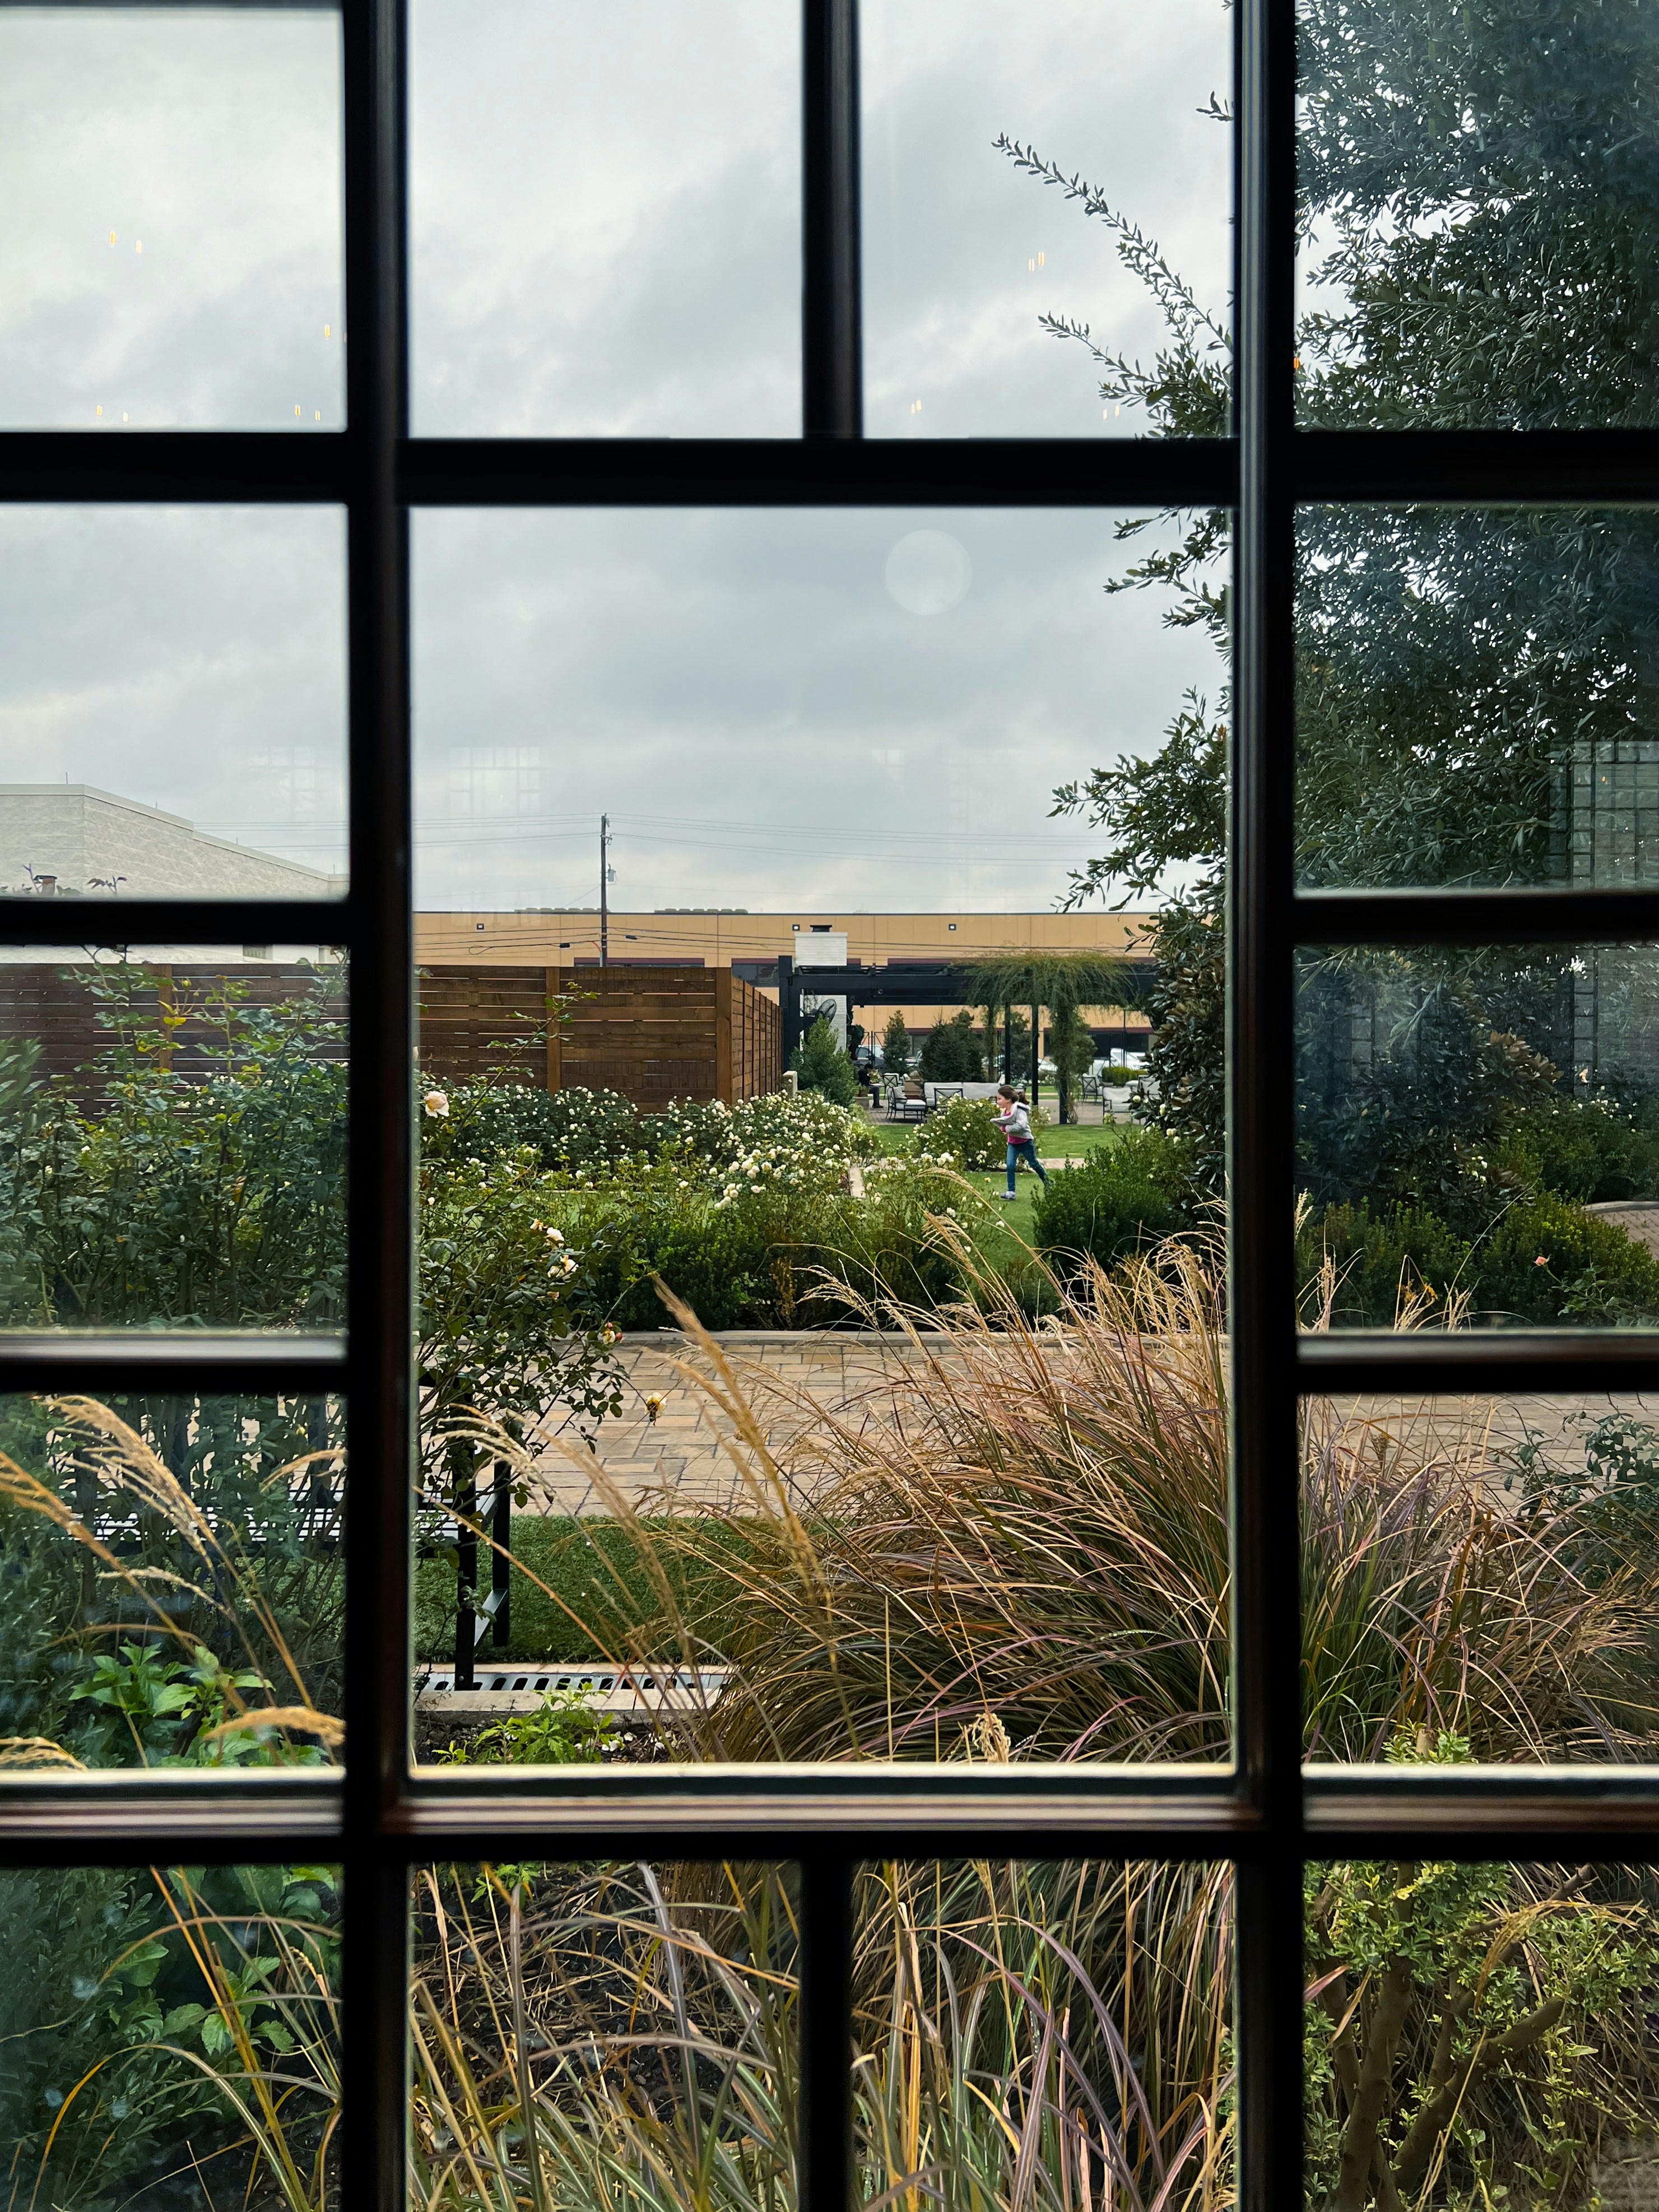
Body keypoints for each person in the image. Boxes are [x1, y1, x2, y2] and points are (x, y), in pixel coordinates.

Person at [995, 1083, 1047, 1200]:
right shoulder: (1004, 1113)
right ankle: (1011, 1192)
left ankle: (1049, 1185)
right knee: (1010, 1166)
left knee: (1034, 1164)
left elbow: (1021, 1125)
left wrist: (1006, 1128)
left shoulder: (1019, 1111)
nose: (997, 1102)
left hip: (1025, 1142)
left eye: (999, 1099)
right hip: (1013, 1144)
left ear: (1008, 1100)